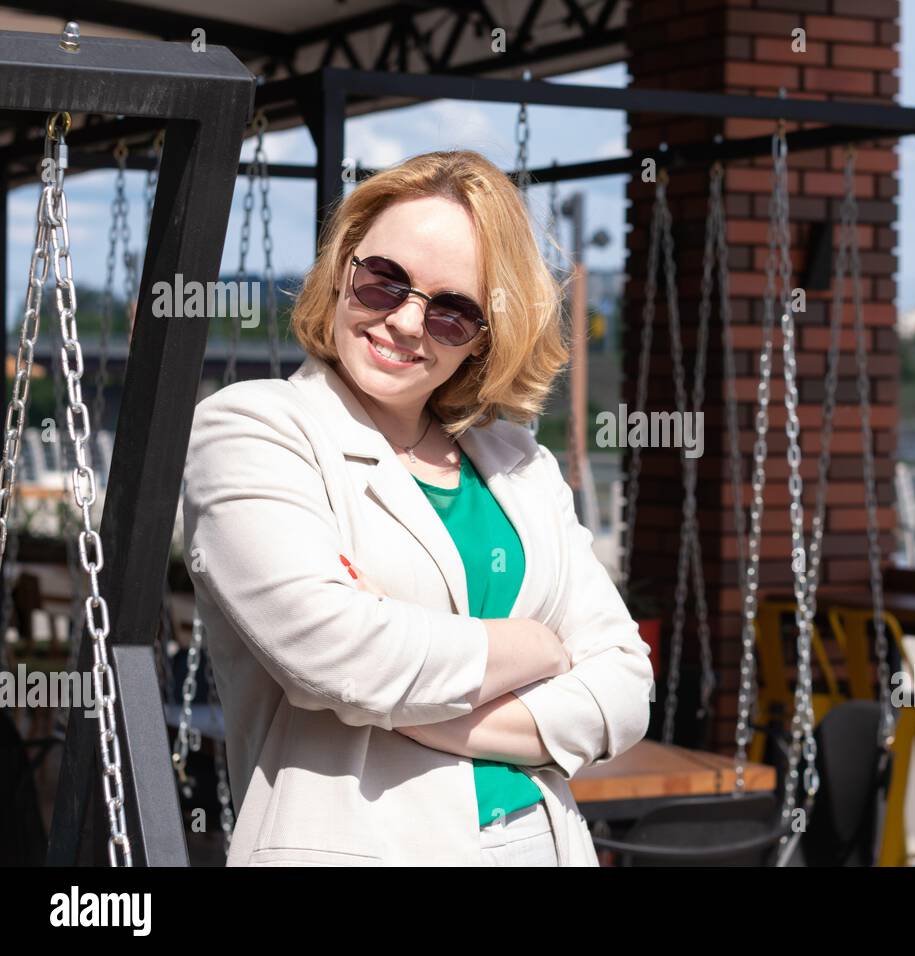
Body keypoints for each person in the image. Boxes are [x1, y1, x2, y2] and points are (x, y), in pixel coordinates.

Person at [181, 150, 654, 866]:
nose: (405, 322)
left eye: (452, 312)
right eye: (383, 283)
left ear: (484, 341)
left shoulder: (519, 461)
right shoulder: (255, 428)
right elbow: (342, 657)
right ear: (343, 270)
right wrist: (535, 647)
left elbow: (624, 686)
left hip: (544, 845)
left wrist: (439, 722)